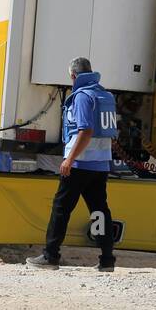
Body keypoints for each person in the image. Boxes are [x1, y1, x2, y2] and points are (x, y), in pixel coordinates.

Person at [28, 57, 118, 272]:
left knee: (61, 209)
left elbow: (85, 131)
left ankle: (51, 256)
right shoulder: (105, 95)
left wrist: (69, 159)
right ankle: (107, 259)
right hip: (100, 165)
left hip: (79, 165)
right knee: (99, 211)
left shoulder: (82, 97)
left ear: (73, 76)